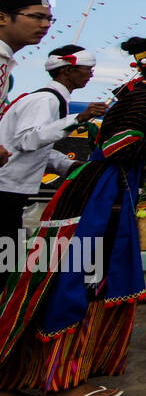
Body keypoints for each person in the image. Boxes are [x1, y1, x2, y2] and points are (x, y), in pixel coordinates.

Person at [0, 34, 146, 396]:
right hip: (99, 200)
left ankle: (28, 378)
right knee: (76, 278)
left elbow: (108, 140)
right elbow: (117, 146)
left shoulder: (135, 94)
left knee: (63, 275)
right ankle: (58, 386)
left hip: (98, 193)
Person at [0, 46, 106, 288]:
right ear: (68, 70)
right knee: (5, 264)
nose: (90, 75)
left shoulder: (52, 99)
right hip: (5, 192)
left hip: (11, 193)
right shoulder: (45, 100)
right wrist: (78, 119)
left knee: (7, 262)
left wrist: (68, 165)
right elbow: (27, 141)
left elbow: (37, 148)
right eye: (87, 69)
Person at [0, 0, 55, 153]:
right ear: (2, 18)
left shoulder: (5, 61)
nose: (46, 25)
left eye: (49, 19)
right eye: (37, 17)